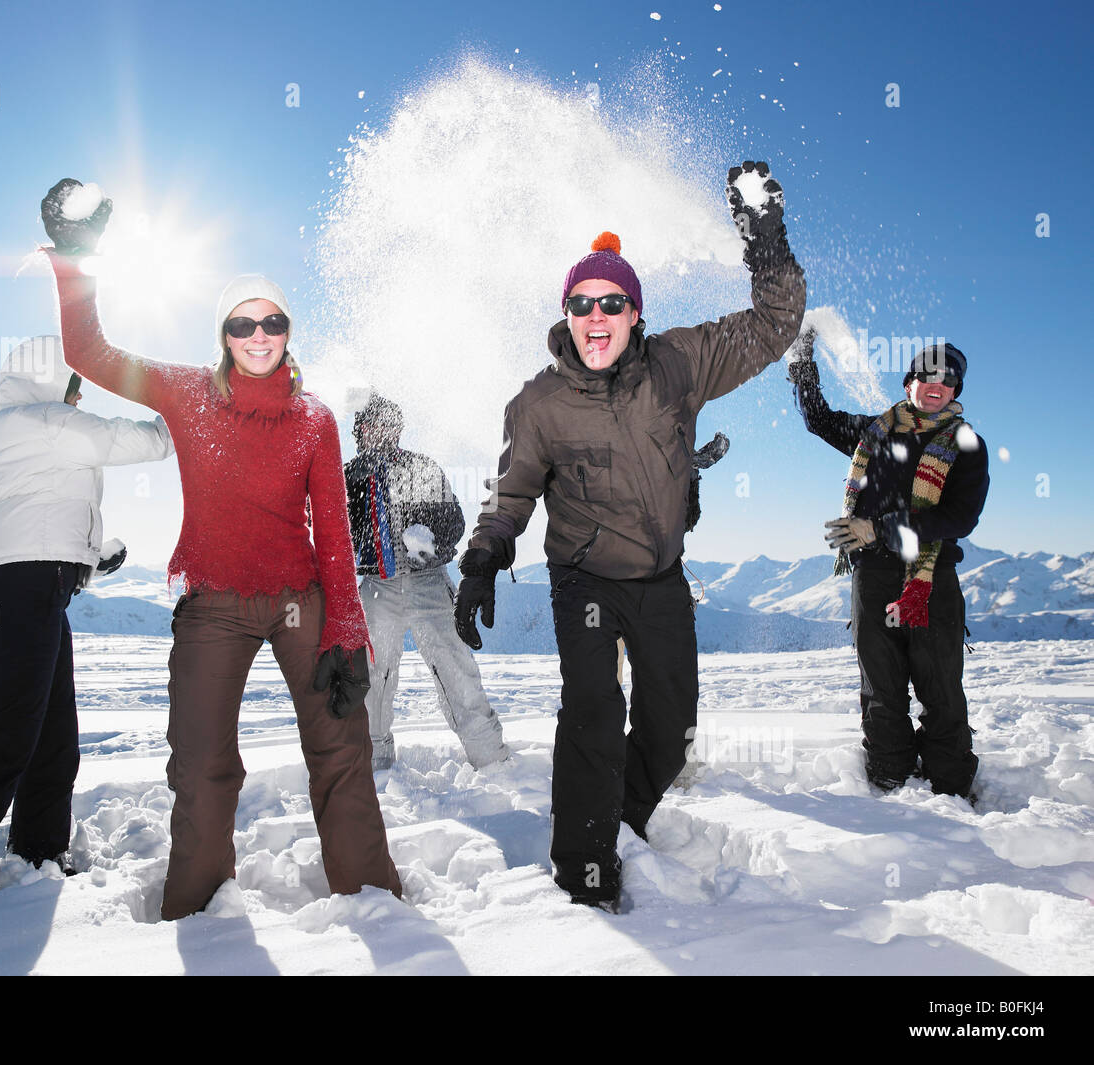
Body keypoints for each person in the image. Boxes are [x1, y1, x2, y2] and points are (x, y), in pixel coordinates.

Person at [39, 178, 402, 920]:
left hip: (302, 601)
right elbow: (91, 351)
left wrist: (348, 631)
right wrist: (77, 260)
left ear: (288, 330)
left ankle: (372, 900)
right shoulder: (185, 394)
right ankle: (198, 910)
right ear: (224, 336)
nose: (258, 335)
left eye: (272, 321)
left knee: (341, 747)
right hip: (215, 602)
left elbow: (333, 535)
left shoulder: (315, 420)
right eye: (242, 324)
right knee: (202, 763)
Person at [454, 161, 806, 911]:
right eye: (582, 303)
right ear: (567, 313)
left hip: (662, 576)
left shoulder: (678, 364)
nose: (596, 315)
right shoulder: (540, 404)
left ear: (635, 313)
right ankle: (584, 870)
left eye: (612, 301)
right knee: (592, 705)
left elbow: (774, 326)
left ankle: (620, 818)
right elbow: (512, 489)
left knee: (673, 724)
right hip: (583, 577)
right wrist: (484, 556)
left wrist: (765, 241)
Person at [0, 335, 173, 900]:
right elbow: (131, 441)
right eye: (74, 384)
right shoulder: (41, 420)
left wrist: (92, 559)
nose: (78, 397)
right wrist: (180, 415)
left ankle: (39, 852)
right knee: (9, 737)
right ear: (48, 378)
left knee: (53, 738)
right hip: (22, 595)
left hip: (34, 592)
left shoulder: (21, 432)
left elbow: (36, 514)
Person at [789, 330, 987, 799]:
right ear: (908, 383)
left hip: (930, 577)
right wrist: (802, 359)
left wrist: (880, 528)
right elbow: (816, 418)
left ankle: (950, 786)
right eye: (926, 375)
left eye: (948, 379)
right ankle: (888, 779)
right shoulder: (874, 431)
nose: (936, 384)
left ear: (956, 390)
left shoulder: (966, 445)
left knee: (938, 683)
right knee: (881, 682)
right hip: (874, 575)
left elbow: (960, 517)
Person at [344, 392, 509, 771]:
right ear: (361, 430)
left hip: (429, 582)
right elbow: (334, 532)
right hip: (376, 585)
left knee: (454, 665)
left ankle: (492, 759)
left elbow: (454, 519)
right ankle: (373, 761)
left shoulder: (421, 467)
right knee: (372, 673)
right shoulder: (348, 475)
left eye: (389, 423)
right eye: (374, 423)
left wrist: (430, 536)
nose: (382, 430)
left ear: (398, 428)